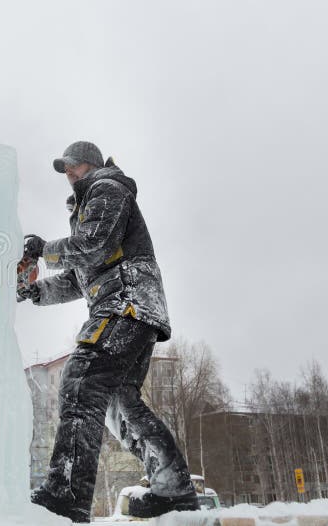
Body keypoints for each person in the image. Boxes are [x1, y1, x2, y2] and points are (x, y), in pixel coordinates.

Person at [17, 141, 199, 522]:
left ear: (93, 165)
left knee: (82, 379)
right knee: (120, 403)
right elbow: (78, 278)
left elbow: (93, 245)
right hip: (130, 307)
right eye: (65, 170)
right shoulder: (88, 205)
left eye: (74, 166)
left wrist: (43, 249)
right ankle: (173, 489)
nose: (69, 175)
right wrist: (35, 292)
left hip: (126, 303)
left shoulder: (107, 188)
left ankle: (66, 493)